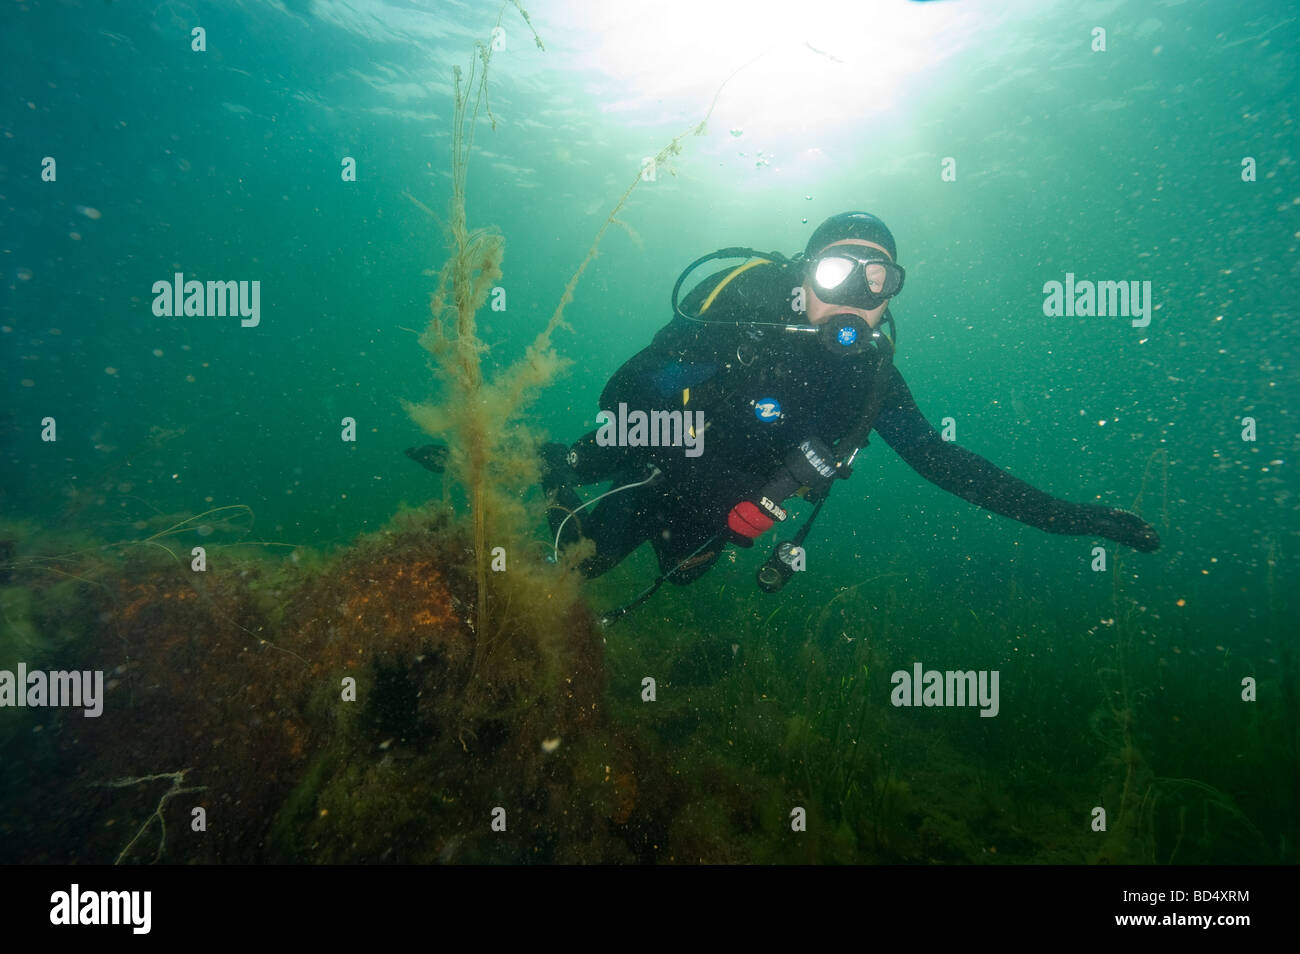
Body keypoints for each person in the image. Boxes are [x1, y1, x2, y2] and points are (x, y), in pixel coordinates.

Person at [422, 212, 1161, 599]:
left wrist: (1079, 519)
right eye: (838, 269)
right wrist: (699, 385)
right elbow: (622, 391)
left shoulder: (868, 382)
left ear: (892, 293)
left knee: (681, 577)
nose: (856, 294)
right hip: (649, 445)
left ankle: (558, 471)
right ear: (803, 280)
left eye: (879, 278)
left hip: (721, 498)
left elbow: (943, 462)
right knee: (572, 560)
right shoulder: (741, 310)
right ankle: (554, 466)